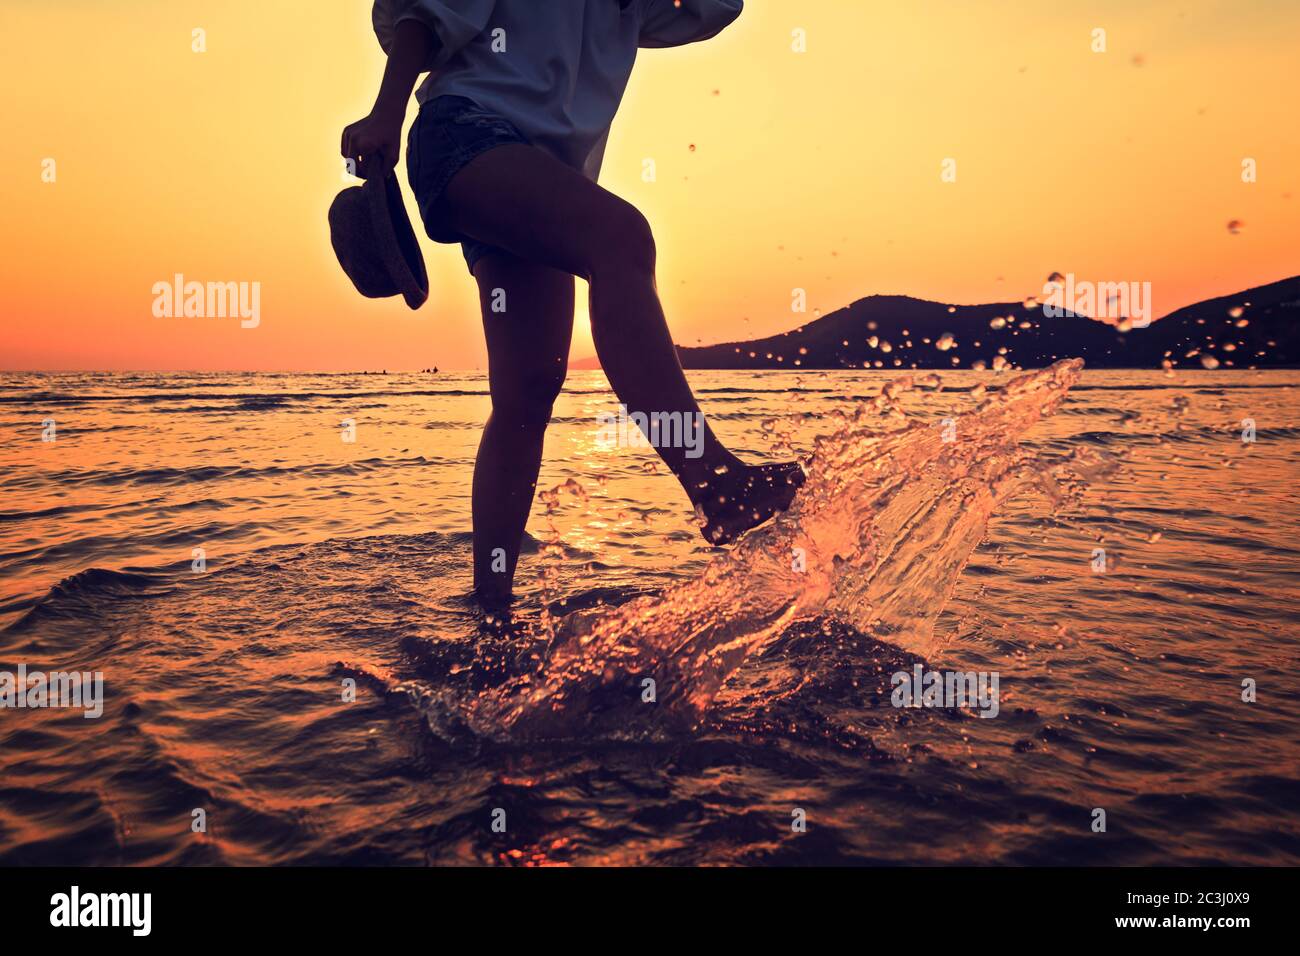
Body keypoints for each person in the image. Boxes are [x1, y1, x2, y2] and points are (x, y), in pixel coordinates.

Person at [342, 0, 802, 606]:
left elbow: (712, 10)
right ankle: (712, 479)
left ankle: (491, 608)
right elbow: (426, 16)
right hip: (466, 135)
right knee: (620, 238)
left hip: (541, 173)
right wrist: (386, 112)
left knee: (528, 391)